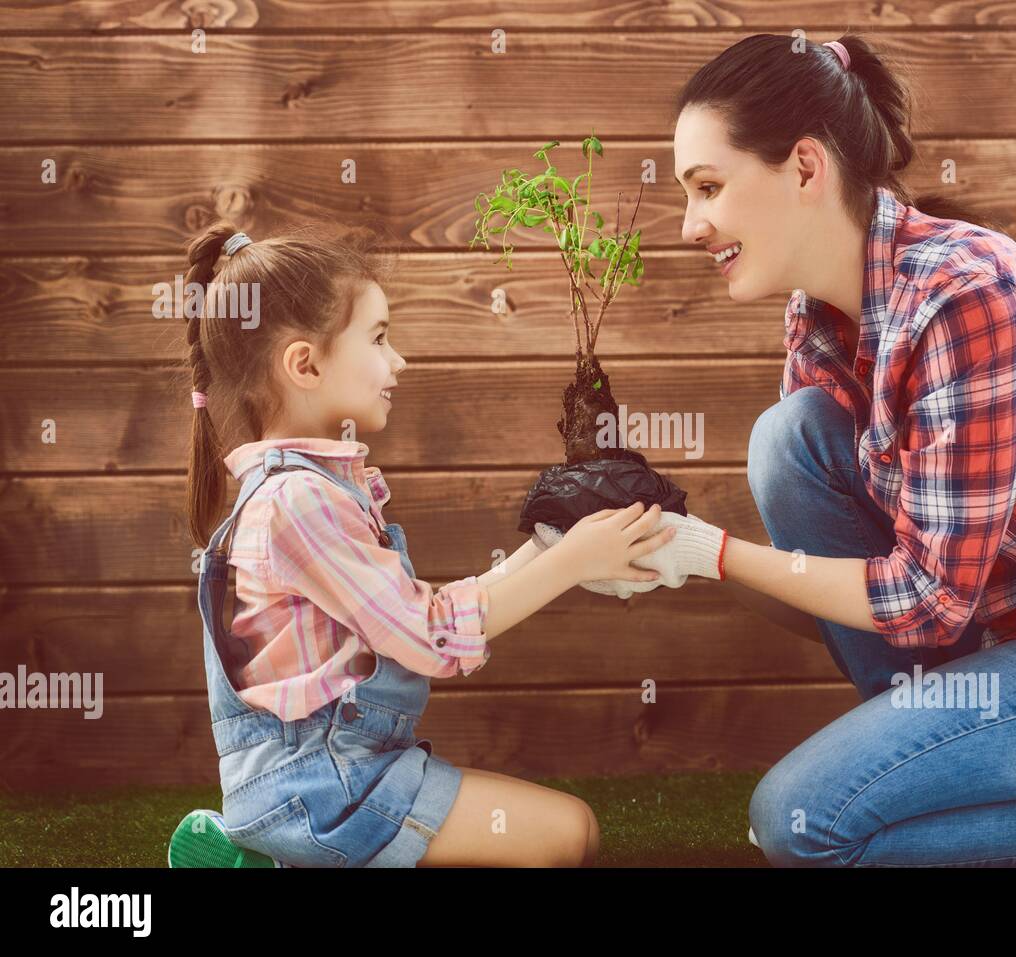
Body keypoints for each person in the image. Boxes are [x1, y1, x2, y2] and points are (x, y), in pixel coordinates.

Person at [541, 32, 1016, 866]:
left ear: (804, 168)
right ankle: (987, 769)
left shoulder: (967, 299)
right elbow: (841, 586)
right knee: (790, 441)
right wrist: (668, 557)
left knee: (799, 823)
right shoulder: (821, 318)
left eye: (709, 187)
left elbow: (928, 600)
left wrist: (711, 551)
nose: (690, 226)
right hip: (1014, 641)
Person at [166, 221, 676, 868]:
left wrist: (553, 547)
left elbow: (415, 611)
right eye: (379, 338)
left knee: (574, 831)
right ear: (305, 364)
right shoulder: (298, 503)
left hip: (352, 770)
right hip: (323, 791)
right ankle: (288, 858)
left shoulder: (313, 490)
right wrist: (572, 563)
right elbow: (429, 634)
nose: (398, 360)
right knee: (569, 835)